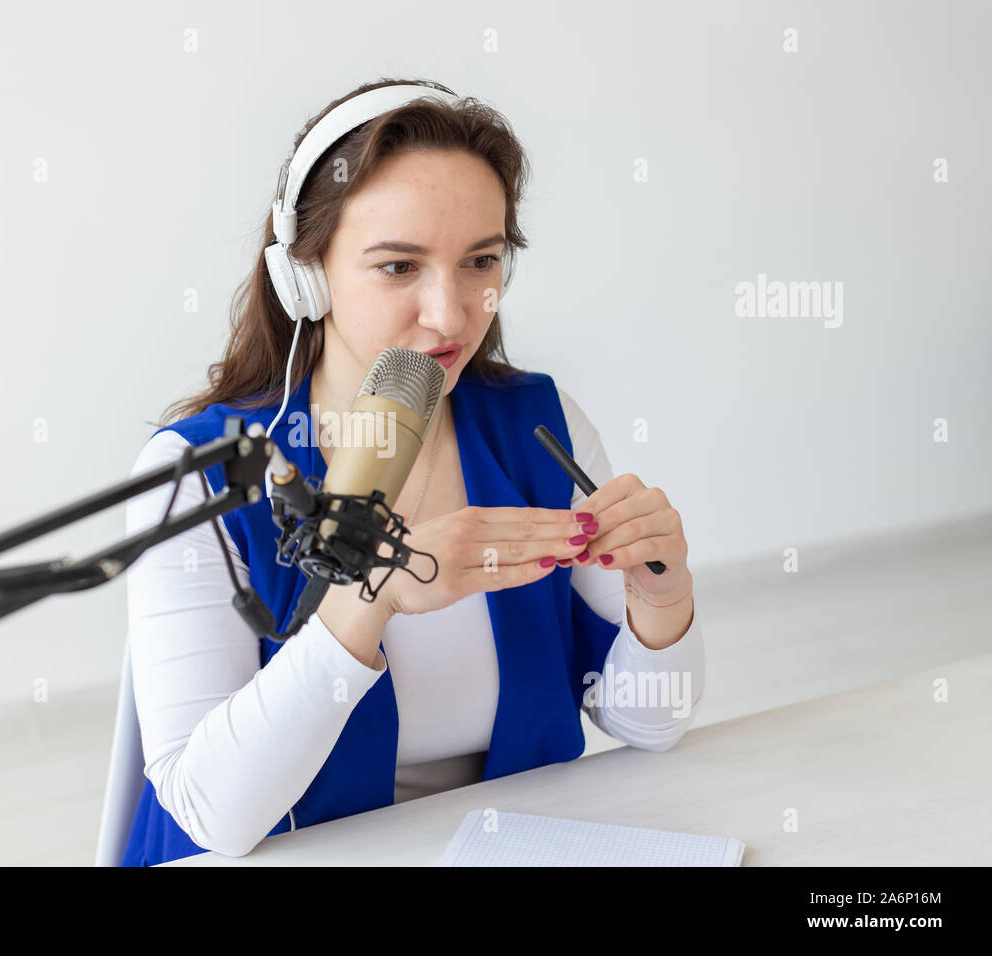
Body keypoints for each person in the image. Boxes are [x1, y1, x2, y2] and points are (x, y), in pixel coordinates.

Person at [119, 79, 703, 867]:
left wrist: (661, 600)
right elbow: (210, 814)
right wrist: (373, 597)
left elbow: (647, 724)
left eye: (480, 263)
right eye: (399, 267)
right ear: (309, 276)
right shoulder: (206, 473)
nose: (451, 315)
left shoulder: (538, 426)